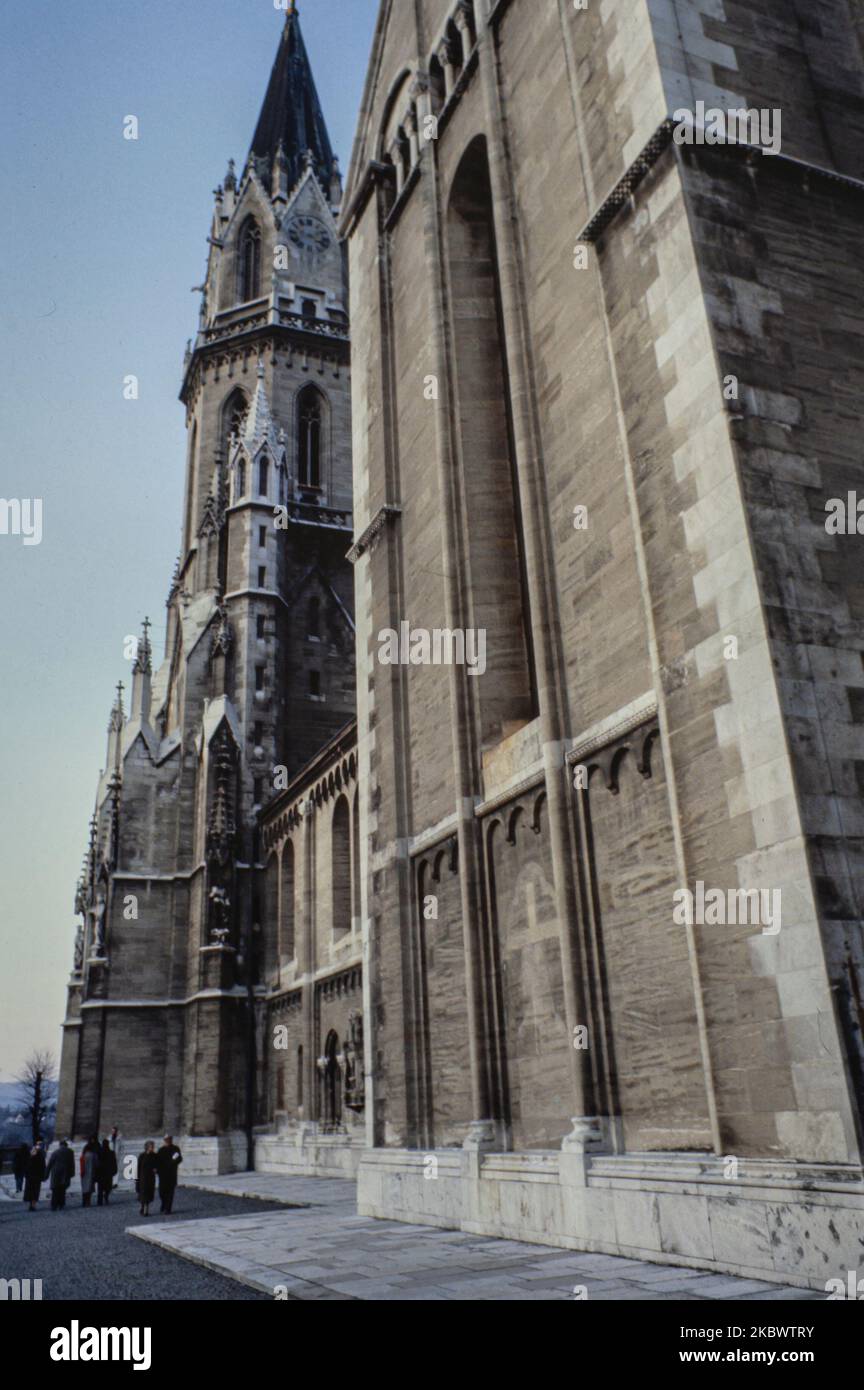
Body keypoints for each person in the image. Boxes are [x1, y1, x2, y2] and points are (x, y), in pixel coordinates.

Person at [155, 1135, 183, 1214]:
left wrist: (172, 1163)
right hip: (163, 1174)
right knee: (162, 1191)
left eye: (169, 1139)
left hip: (172, 1173)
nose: (168, 1141)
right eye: (166, 1140)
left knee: (170, 1191)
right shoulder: (161, 1150)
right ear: (164, 1140)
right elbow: (157, 1161)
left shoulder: (175, 1149)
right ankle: (164, 1203)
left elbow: (179, 1158)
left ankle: (168, 1208)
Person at [46, 1140, 75, 1211]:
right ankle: (61, 1204)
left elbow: (50, 1164)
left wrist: (46, 1174)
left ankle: (54, 1205)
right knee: (62, 1189)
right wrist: (72, 1173)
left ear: (60, 1145)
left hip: (56, 1173)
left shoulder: (55, 1152)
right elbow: (72, 1163)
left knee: (55, 1190)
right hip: (65, 1173)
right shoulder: (70, 1152)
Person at [136, 1141, 158, 1217]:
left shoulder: (155, 1156)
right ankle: (144, 1208)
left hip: (151, 1178)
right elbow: (138, 1167)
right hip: (143, 1178)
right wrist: (137, 1178)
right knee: (143, 1193)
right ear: (147, 1147)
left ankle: (145, 1209)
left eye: (153, 1146)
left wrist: (156, 1169)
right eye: (151, 1146)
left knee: (148, 1194)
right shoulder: (142, 1156)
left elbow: (158, 1165)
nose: (152, 1148)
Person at [23, 1140, 46, 1211]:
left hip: (30, 1176)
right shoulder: (40, 1156)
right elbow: (43, 1167)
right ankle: (33, 1205)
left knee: (31, 1191)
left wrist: (26, 1174)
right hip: (36, 1177)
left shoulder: (30, 1155)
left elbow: (26, 1165)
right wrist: (43, 1176)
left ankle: (31, 1204)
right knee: (35, 1191)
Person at [95, 1137, 117, 1206]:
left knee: (101, 1188)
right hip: (107, 1173)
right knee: (107, 1187)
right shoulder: (111, 1153)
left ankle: (100, 1201)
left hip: (102, 1172)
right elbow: (114, 1163)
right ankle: (104, 1198)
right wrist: (114, 1170)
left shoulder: (100, 1152)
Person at [80, 1136, 98, 1207]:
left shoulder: (83, 1155)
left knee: (84, 1188)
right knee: (89, 1189)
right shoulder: (93, 1155)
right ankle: (88, 1202)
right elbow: (97, 1164)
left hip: (84, 1173)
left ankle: (84, 1201)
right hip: (91, 1173)